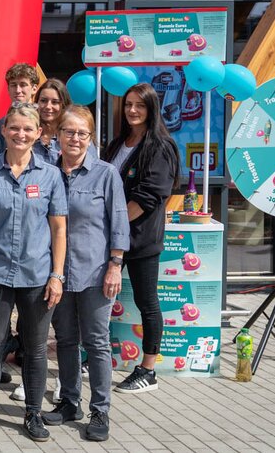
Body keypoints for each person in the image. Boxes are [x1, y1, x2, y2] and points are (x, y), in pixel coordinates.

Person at [0, 103, 67, 443]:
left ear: (38, 133)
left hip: (37, 275)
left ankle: (33, 413)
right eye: (14, 128)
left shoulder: (50, 175)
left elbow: (59, 230)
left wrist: (57, 276)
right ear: (3, 131)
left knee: (35, 348)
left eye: (27, 129)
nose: (20, 134)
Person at [42, 106, 129, 441]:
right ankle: (69, 402)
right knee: (64, 339)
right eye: (69, 132)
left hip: (95, 273)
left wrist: (115, 265)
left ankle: (100, 410)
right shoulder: (47, 172)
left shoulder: (106, 174)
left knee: (96, 342)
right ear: (58, 135)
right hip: (57, 273)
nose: (75, 139)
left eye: (82, 133)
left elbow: (119, 222)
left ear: (91, 138)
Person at [104, 83, 179, 394]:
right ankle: (94, 356)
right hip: (110, 237)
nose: (132, 110)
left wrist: (114, 225)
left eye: (140, 105)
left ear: (151, 109)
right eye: (128, 104)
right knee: (99, 298)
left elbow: (148, 197)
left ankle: (148, 370)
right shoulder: (118, 143)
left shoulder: (160, 146)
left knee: (146, 302)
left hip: (140, 240)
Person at [32, 78, 73, 164]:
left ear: (64, 105)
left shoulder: (75, 135)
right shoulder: (27, 134)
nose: (48, 106)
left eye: (55, 102)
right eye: (43, 101)